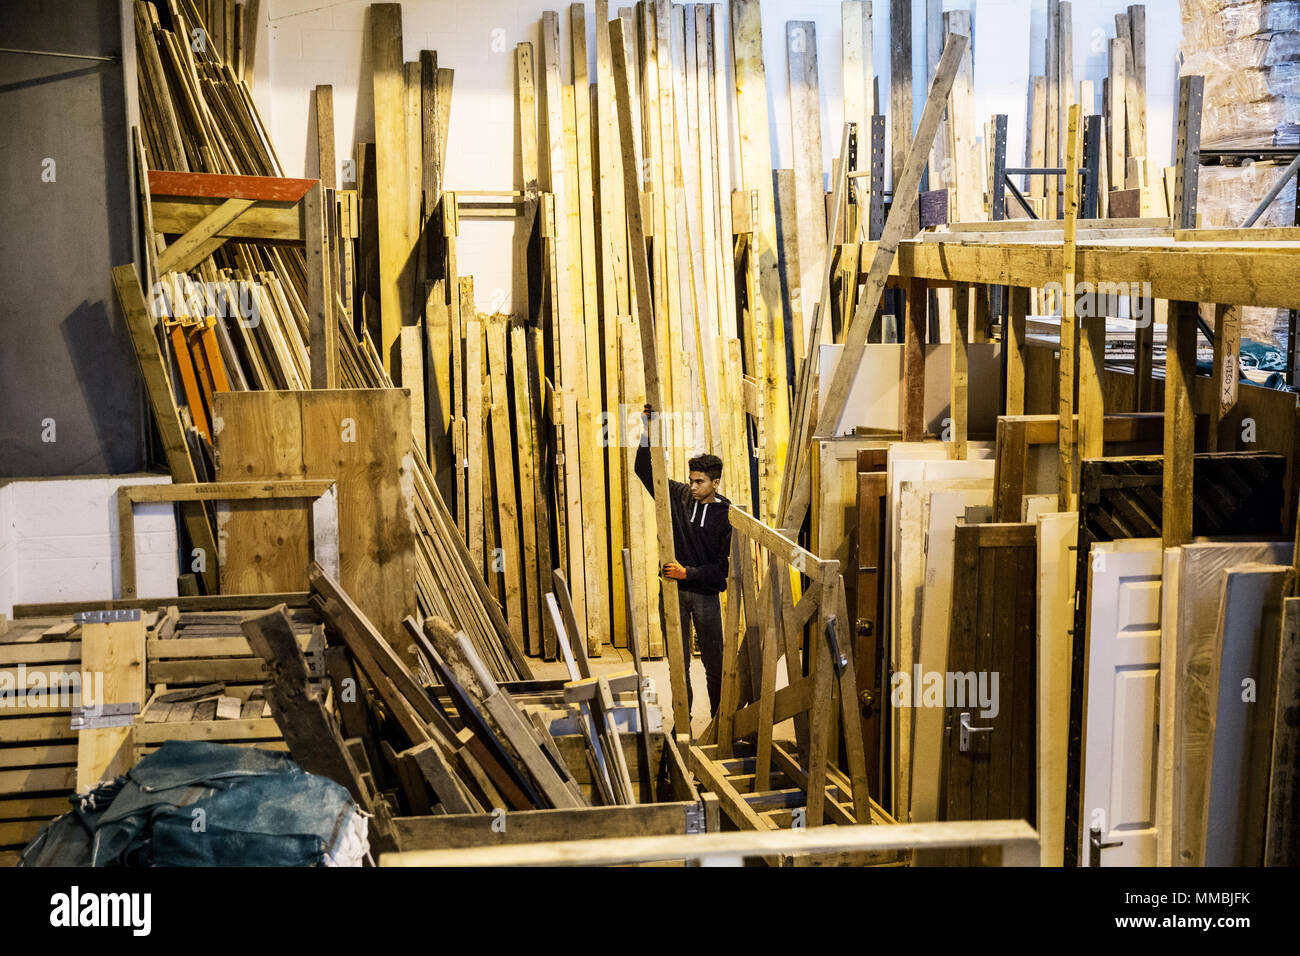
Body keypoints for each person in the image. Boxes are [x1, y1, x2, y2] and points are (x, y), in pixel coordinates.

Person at [634, 405, 731, 718]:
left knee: (714, 664)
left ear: (715, 483)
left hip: (704, 596)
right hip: (673, 593)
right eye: (691, 480)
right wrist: (649, 431)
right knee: (679, 663)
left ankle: (719, 721)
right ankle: (683, 720)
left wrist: (686, 573)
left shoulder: (726, 517)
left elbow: (720, 572)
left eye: (699, 482)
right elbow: (645, 471)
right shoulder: (680, 497)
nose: (692, 486)